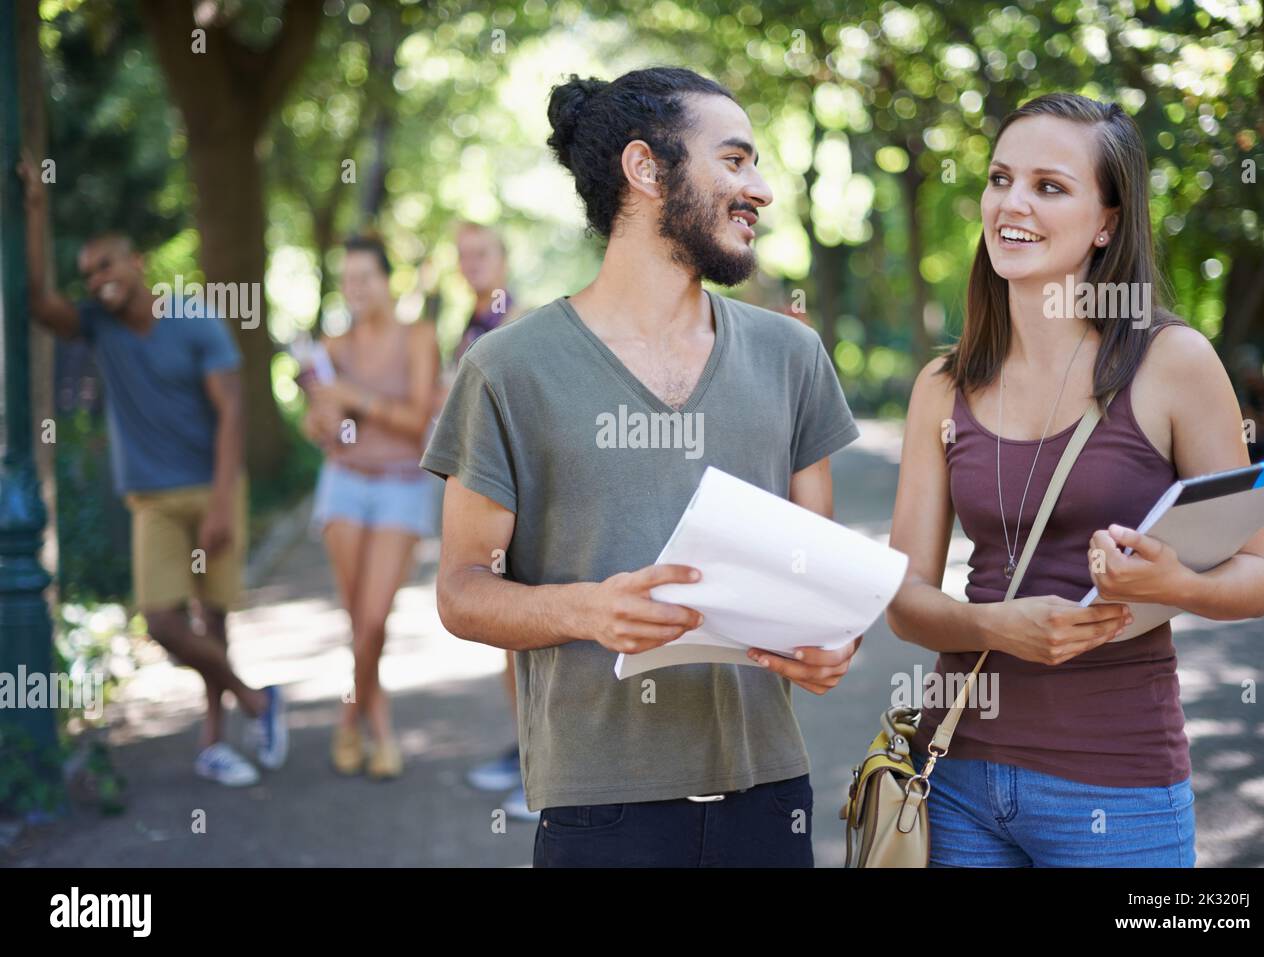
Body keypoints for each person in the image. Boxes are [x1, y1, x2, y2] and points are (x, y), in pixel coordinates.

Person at [425, 67, 862, 867]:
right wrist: (588, 610)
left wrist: (830, 640)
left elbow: (814, 582)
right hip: (600, 811)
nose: (760, 189)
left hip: (770, 797)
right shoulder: (508, 370)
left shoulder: (792, 356)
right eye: (734, 160)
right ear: (646, 169)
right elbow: (461, 590)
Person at [886, 93, 1264, 867]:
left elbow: (1257, 577)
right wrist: (995, 627)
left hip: (1117, 787)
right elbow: (903, 600)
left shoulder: (1173, 362)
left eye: (1050, 186)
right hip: (955, 773)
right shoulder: (943, 383)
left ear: (1106, 222)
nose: (1013, 203)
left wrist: (1172, 582)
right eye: (1001, 179)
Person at [18, 155, 288, 787]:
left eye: (106, 265)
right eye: (89, 273)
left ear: (136, 263)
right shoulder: (97, 326)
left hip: (213, 485)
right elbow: (39, 303)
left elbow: (233, 410)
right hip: (152, 499)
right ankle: (257, 701)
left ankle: (214, 742)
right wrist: (35, 206)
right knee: (162, 621)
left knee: (214, 617)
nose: (97, 280)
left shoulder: (194, 319)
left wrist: (221, 502)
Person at [302, 236, 440, 780]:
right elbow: (320, 426)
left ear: (387, 280)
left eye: (365, 277)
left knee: (375, 619)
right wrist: (322, 422)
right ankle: (380, 734)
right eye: (348, 279)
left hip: (401, 486)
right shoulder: (331, 348)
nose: (355, 288)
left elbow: (417, 423)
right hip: (343, 484)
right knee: (357, 618)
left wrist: (356, 399)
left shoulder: (418, 337)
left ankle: (348, 722)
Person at [449, 222, 534, 820]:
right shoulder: (470, 325)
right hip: (482, 495)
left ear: (504, 258)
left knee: (524, 633)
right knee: (508, 637)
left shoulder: (519, 321)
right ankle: (525, 750)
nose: (471, 262)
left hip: (517, 500)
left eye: (481, 253)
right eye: (463, 254)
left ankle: (544, 770)